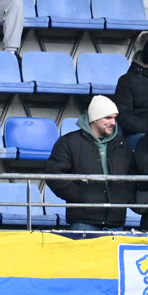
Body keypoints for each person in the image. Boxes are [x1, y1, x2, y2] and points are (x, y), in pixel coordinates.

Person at [46, 94, 136, 231]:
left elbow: (132, 174)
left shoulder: (122, 144)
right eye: (108, 118)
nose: (113, 122)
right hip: (83, 221)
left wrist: (124, 198)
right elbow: (54, 175)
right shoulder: (69, 142)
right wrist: (81, 197)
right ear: (95, 118)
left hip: (116, 221)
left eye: (114, 118)